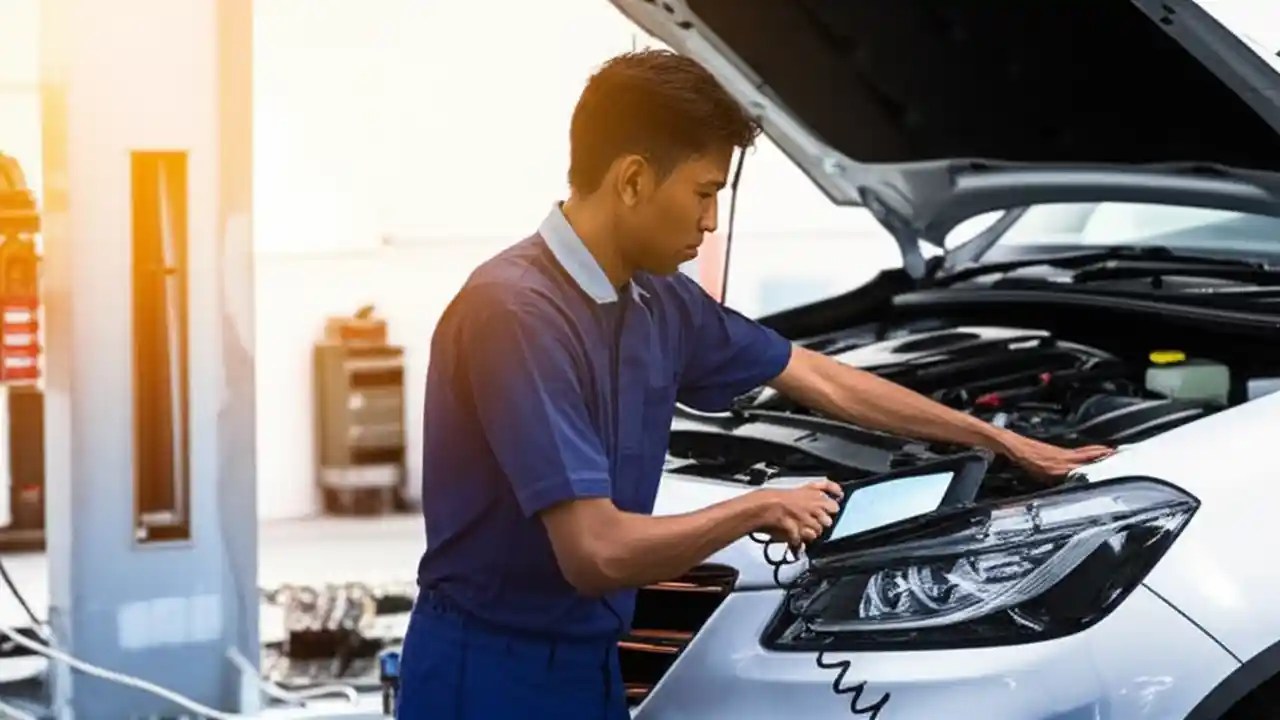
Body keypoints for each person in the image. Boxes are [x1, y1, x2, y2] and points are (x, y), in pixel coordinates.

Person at [395, 50, 1114, 719]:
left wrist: (998, 440)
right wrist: (757, 507)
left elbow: (820, 378)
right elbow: (597, 553)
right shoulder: (515, 312)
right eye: (703, 192)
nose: (711, 222)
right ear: (633, 180)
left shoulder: (656, 299)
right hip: (488, 671)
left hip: (589, 662)